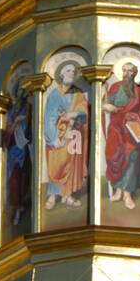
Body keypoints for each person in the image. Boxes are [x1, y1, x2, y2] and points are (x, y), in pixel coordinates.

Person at [103, 62, 140, 210]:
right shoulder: (114, 88)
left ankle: (127, 193)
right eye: (124, 70)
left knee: (131, 158)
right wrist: (105, 106)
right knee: (115, 158)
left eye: (129, 71)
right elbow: (103, 104)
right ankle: (118, 190)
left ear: (134, 73)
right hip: (116, 130)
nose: (126, 73)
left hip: (131, 130)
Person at [44, 61, 89, 211]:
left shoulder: (78, 93)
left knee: (72, 163)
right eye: (68, 71)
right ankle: (53, 195)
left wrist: (75, 113)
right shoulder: (55, 94)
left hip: (74, 134)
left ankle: (67, 195)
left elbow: (84, 110)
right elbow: (49, 118)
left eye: (73, 71)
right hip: (59, 135)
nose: (71, 73)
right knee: (58, 164)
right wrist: (54, 138)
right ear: (62, 75)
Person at [4, 86, 32, 228]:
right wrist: (16, 122)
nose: (22, 96)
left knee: (24, 177)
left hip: (25, 146)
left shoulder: (28, 108)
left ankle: (21, 207)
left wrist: (26, 118)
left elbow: (32, 123)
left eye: (24, 94)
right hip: (15, 148)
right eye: (19, 94)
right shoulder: (13, 111)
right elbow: (8, 129)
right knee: (14, 178)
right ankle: (17, 207)